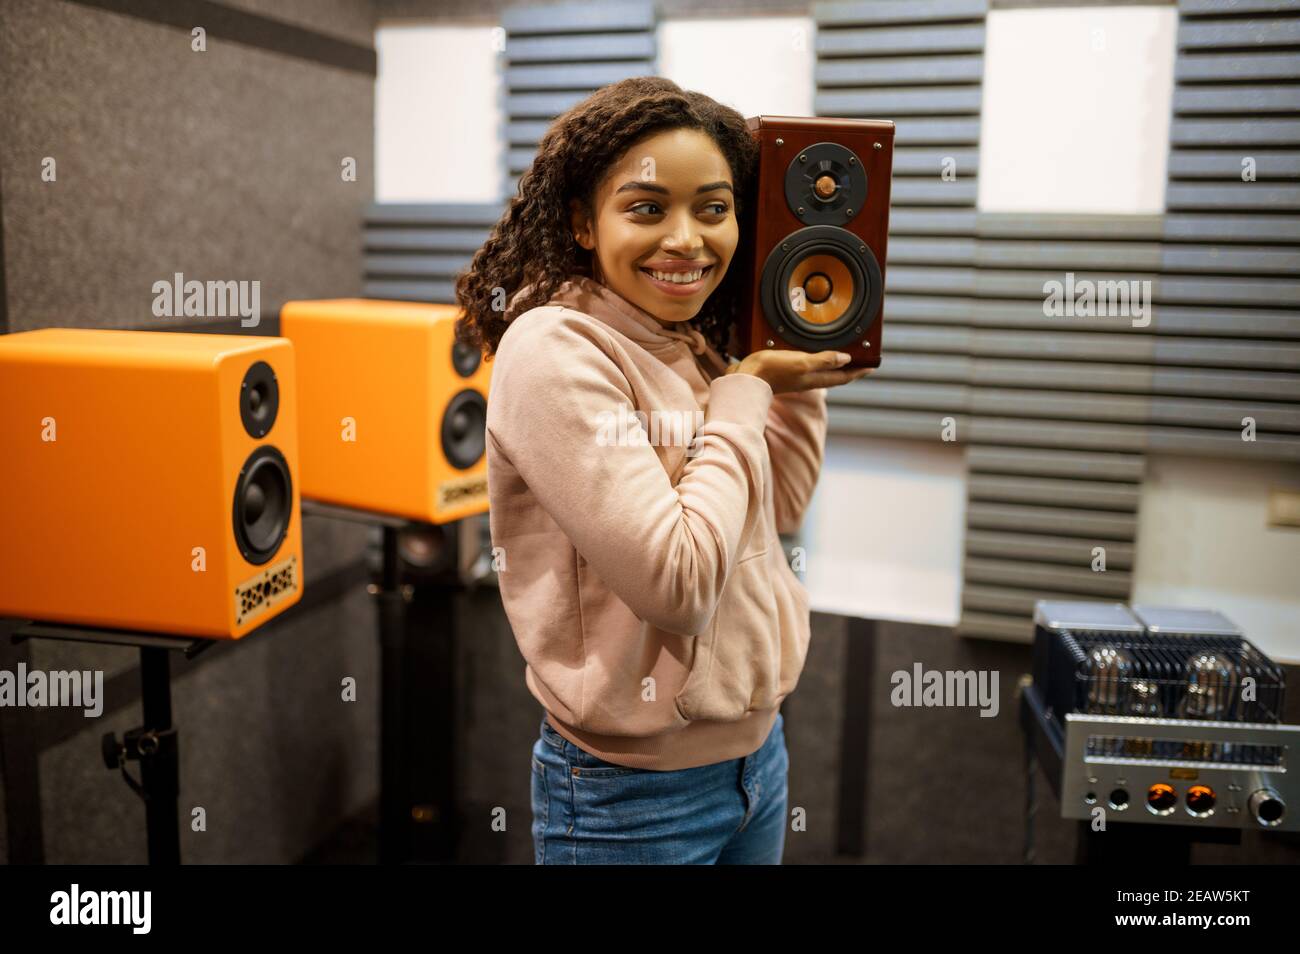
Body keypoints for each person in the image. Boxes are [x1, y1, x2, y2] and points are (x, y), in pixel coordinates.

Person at [454, 77, 871, 864]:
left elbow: (777, 504)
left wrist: (792, 372)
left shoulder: (688, 340)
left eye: (713, 209)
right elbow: (676, 585)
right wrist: (746, 393)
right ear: (583, 221)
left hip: (757, 762)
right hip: (633, 798)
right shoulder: (555, 349)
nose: (687, 239)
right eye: (648, 209)